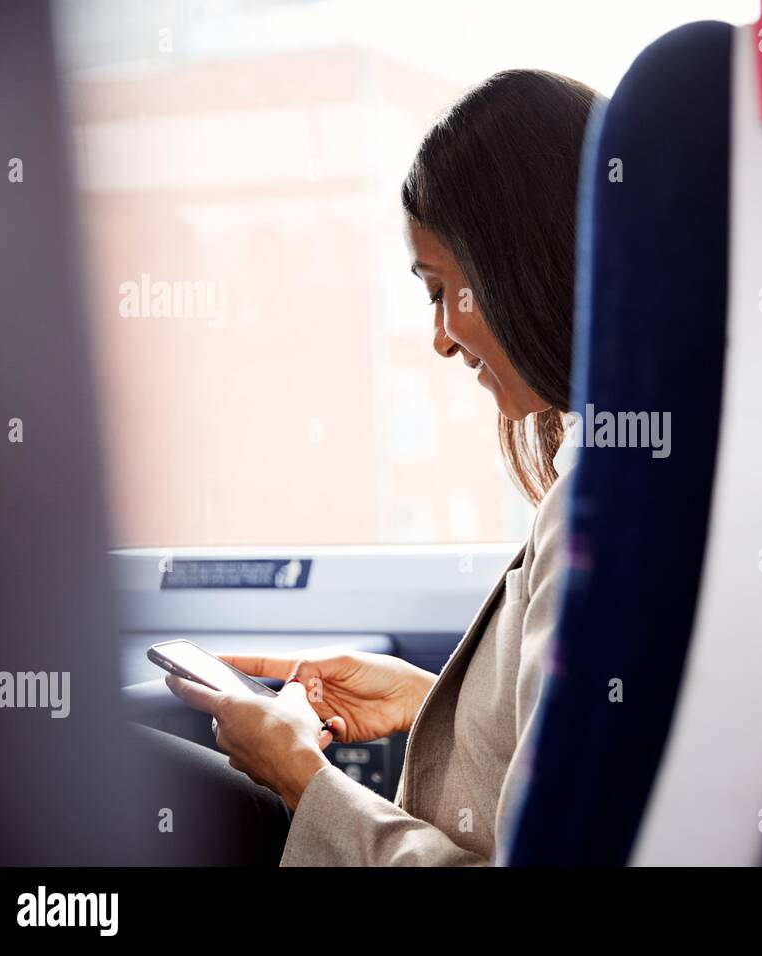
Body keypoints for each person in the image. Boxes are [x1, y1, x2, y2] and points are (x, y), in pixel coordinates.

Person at [158, 68, 601, 866]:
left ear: (527, 267)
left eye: (442, 291)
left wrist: (300, 776)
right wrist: (435, 704)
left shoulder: (602, 523)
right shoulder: (628, 478)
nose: (439, 337)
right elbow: (570, 760)